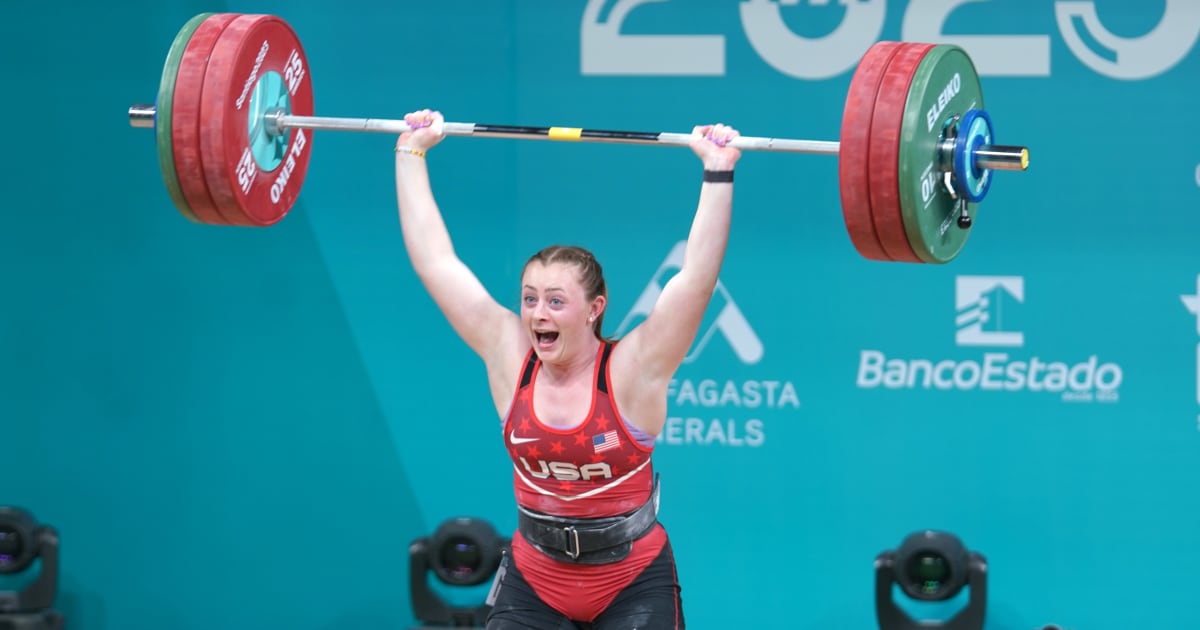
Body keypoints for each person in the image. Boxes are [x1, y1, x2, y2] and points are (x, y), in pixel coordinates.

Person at [393, 108, 742, 630]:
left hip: (632, 583)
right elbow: (436, 263)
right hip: (534, 582)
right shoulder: (509, 353)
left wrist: (718, 171)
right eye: (530, 298)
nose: (537, 313)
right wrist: (410, 153)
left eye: (556, 301)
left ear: (594, 308)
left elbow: (695, 279)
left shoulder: (632, 368)